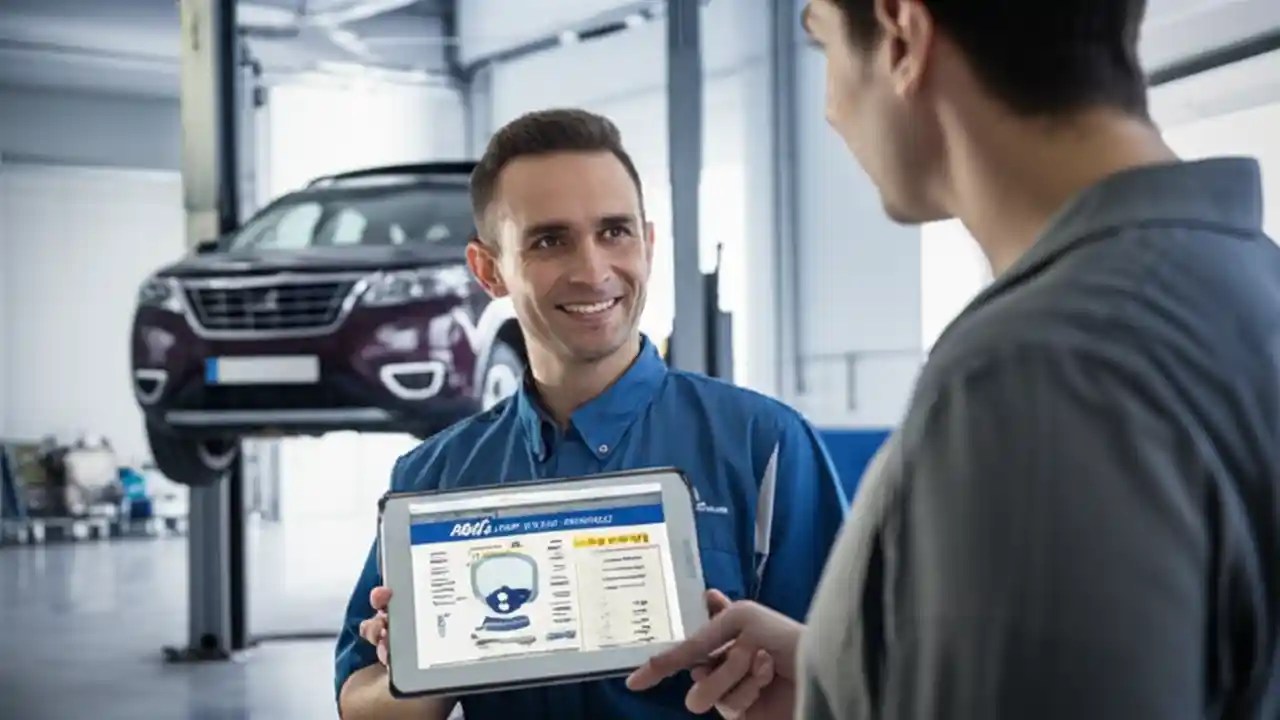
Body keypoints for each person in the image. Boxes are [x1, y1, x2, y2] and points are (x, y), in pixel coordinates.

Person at [627, 0, 1280, 718]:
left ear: (902, 35)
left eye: (823, 47)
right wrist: (848, 681)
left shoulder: (1036, 374)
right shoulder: (1240, 286)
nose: (832, 111)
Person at [334, 108, 848, 720]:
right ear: (489, 270)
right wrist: (426, 667)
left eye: (615, 232)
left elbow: (859, 678)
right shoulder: (433, 478)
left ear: (648, 245)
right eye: (550, 241)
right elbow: (359, 701)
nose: (593, 270)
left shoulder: (765, 447)